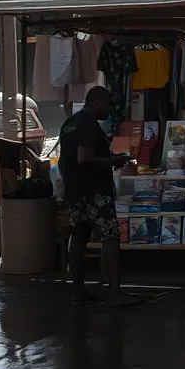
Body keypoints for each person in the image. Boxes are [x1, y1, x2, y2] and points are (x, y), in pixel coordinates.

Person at [62, 86, 135, 305]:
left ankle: (78, 290)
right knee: (110, 238)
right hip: (95, 192)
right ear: (97, 101)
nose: (111, 109)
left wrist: (109, 156)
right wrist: (112, 162)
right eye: (109, 104)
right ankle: (114, 292)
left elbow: (70, 159)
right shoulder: (89, 125)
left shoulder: (69, 125)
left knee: (79, 237)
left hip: (74, 191)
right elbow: (84, 157)